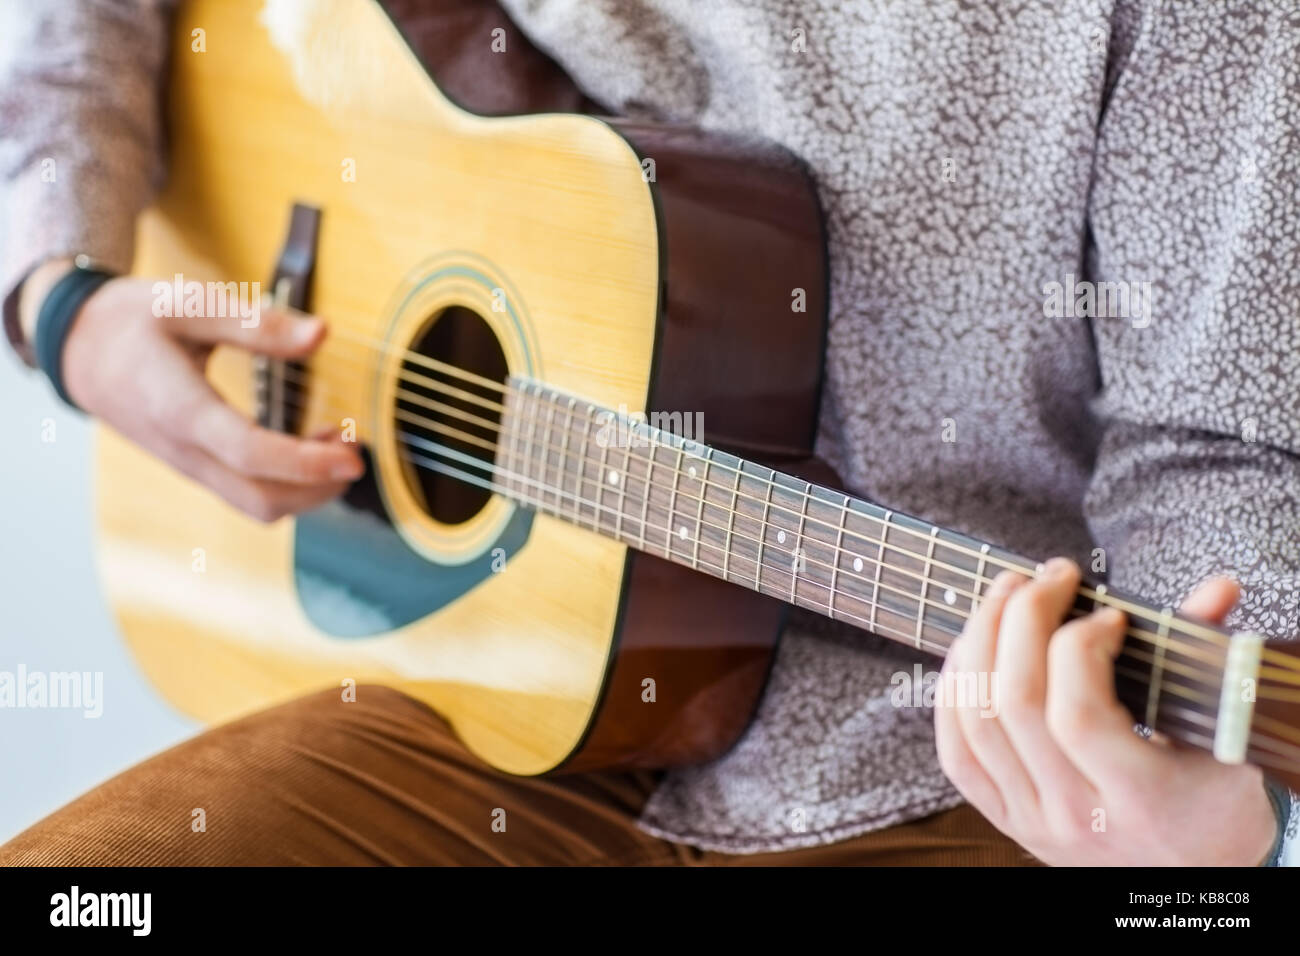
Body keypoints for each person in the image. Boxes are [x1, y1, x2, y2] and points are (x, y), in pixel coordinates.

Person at [1, 0, 1296, 866]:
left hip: (947, 768)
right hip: (466, 697)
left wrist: (1217, 836)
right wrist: (63, 297)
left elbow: (1223, 461)